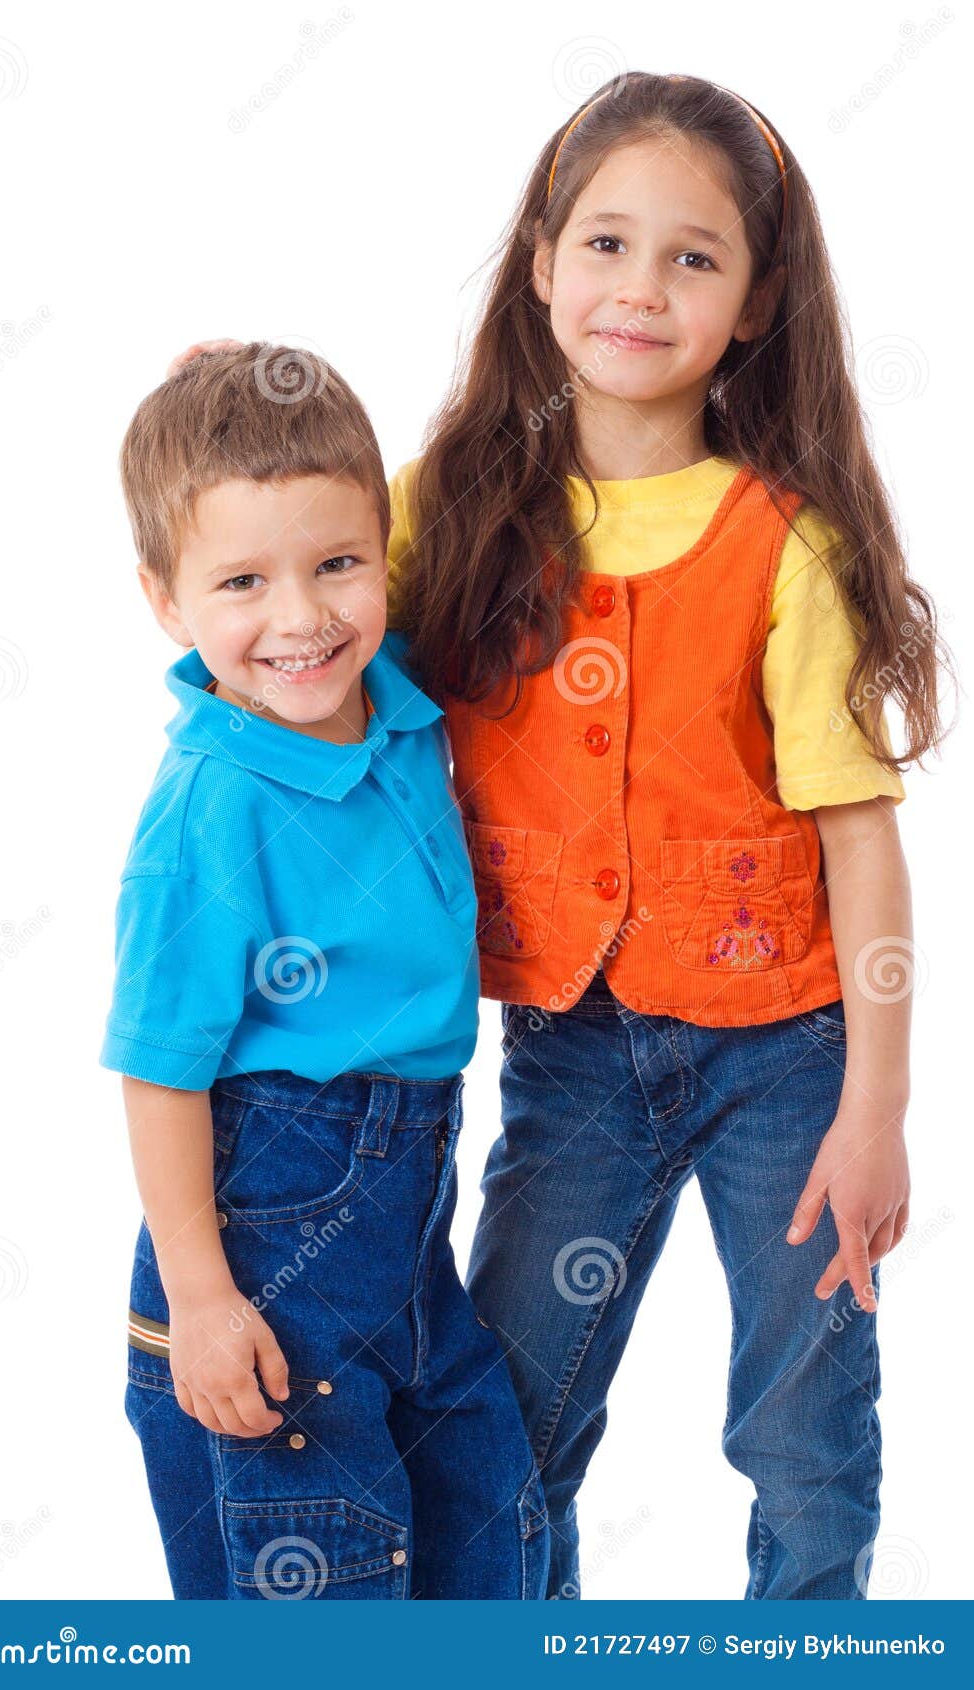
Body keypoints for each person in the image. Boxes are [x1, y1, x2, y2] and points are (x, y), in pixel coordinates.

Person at [383, 72, 947, 1599]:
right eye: (606, 243)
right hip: (572, 1047)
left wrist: (875, 1108)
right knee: (507, 1419)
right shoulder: (448, 506)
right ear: (539, 263)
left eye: (693, 257)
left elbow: (860, 842)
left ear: (756, 301)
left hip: (787, 1049)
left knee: (802, 1428)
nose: (640, 287)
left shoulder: (786, 541)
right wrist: (219, 430)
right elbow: (279, 598)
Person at [100, 343, 548, 1600]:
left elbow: (448, 497)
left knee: (486, 1527)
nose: (299, 618)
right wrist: (200, 1298)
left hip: (405, 1224)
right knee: (324, 1573)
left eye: (336, 564)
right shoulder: (211, 807)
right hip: (263, 1228)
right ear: (165, 600)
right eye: (241, 580)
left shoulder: (387, 690)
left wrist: (234, 385)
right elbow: (157, 1071)